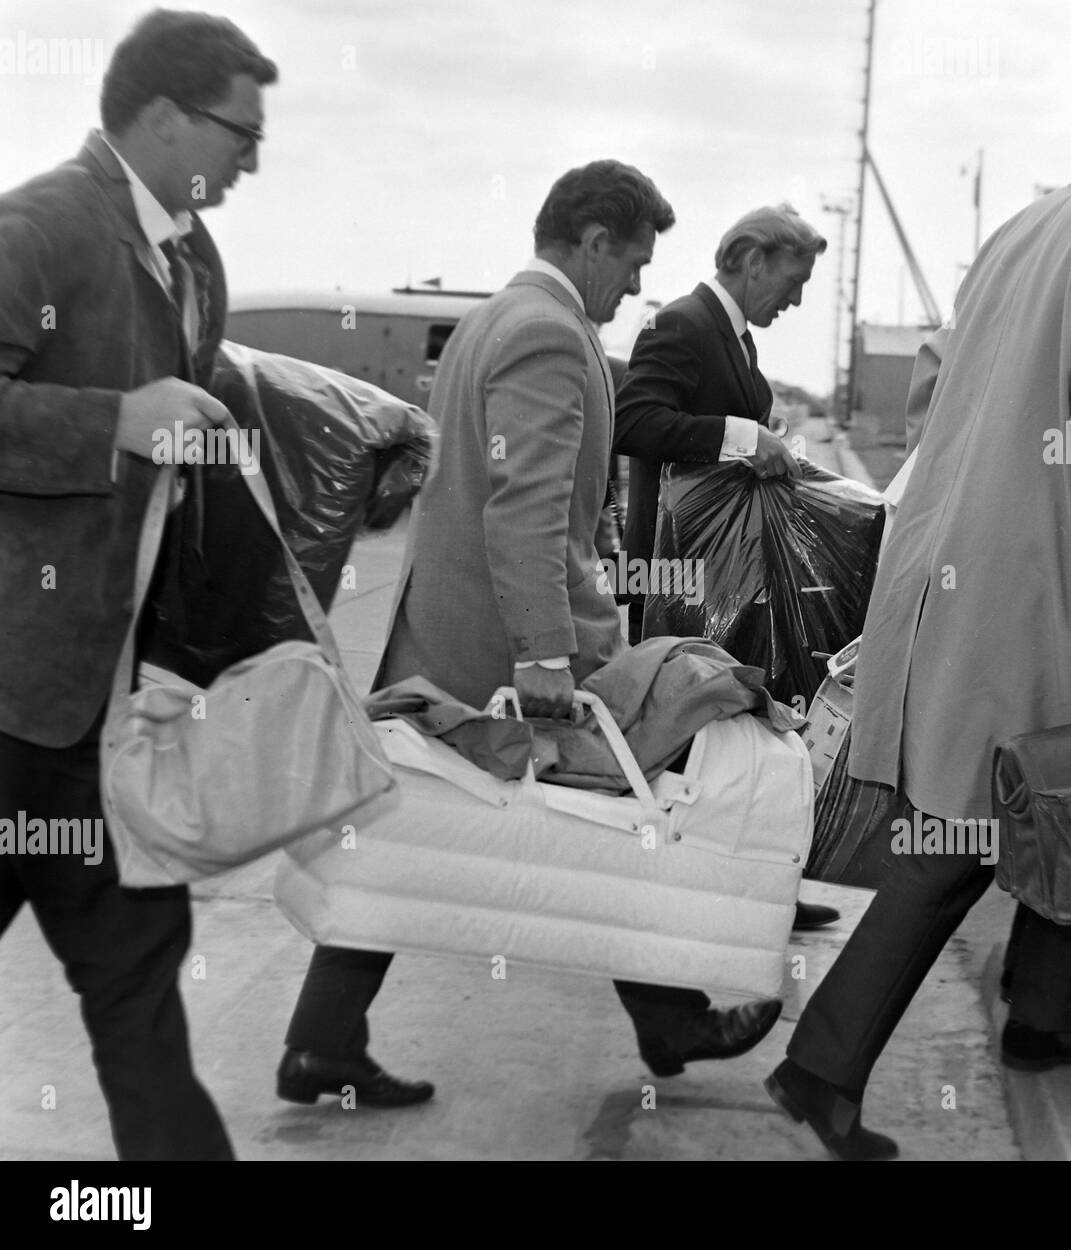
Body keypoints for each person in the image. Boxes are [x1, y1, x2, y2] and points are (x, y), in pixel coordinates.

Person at [766, 41, 1071, 1161]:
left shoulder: (1024, 230)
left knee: (998, 823)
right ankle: (820, 1066)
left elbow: (931, 401)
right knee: (970, 835)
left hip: (959, 576)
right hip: (1048, 599)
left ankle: (1049, 1014)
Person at [278, 161, 783, 1106]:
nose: (636, 285)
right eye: (631, 263)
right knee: (617, 816)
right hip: (500, 645)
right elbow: (528, 506)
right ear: (592, 243)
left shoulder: (493, 318)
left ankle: (320, 1044)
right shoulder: (549, 335)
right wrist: (545, 653)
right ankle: (670, 1020)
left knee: (418, 835)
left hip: (453, 628)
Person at [0, 9, 277, 1159]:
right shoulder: (41, 228)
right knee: (135, 982)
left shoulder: (193, 258)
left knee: (137, 977)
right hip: (12, 700)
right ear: (162, 118)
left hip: (107, 715)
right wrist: (115, 420)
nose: (252, 158)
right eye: (239, 131)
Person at [615, 207, 839, 951]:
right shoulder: (683, 324)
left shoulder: (732, 340)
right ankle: (690, 889)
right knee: (691, 736)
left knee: (730, 731)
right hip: (677, 575)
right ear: (749, 259)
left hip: (719, 577)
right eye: (793, 280)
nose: (797, 300)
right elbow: (635, 422)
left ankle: (753, 878)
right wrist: (744, 437)